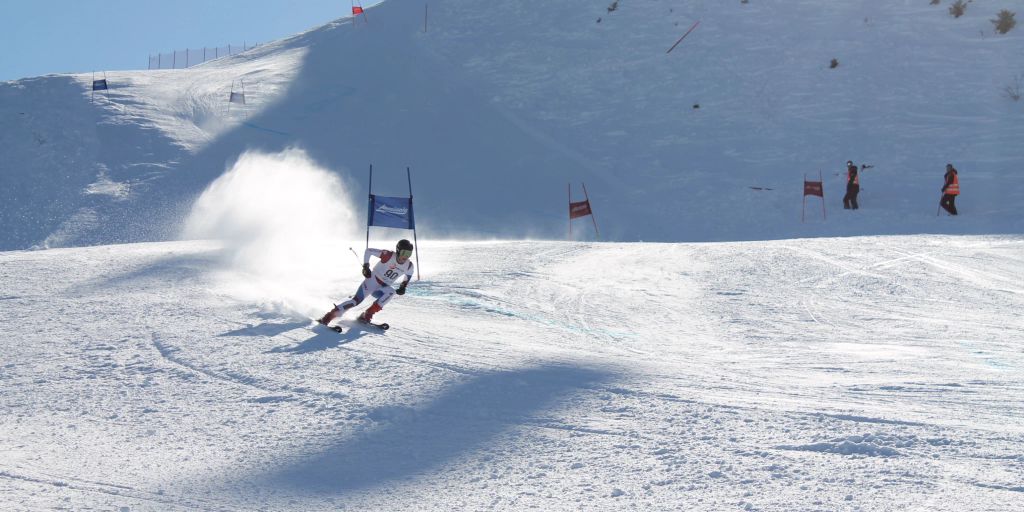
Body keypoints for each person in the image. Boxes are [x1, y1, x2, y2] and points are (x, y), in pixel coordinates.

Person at [318, 239, 415, 326]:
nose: (405, 256)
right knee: (355, 301)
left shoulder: (409, 266)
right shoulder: (388, 255)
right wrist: (366, 266)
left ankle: (367, 315)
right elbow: (369, 251)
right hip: (372, 281)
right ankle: (328, 317)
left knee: (391, 292)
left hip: (382, 288)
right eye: (404, 253)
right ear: (398, 250)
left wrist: (403, 286)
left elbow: (408, 276)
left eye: (409, 254)